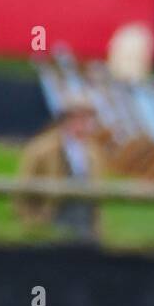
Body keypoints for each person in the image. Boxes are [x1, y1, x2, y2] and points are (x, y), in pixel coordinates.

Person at [15, 98, 105, 236]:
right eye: (82, 119)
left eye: (89, 119)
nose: (87, 125)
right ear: (67, 120)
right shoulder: (41, 149)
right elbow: (24, 191)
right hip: (52, 222)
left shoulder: (93, 152)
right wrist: (33, 225)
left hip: (86, 227)